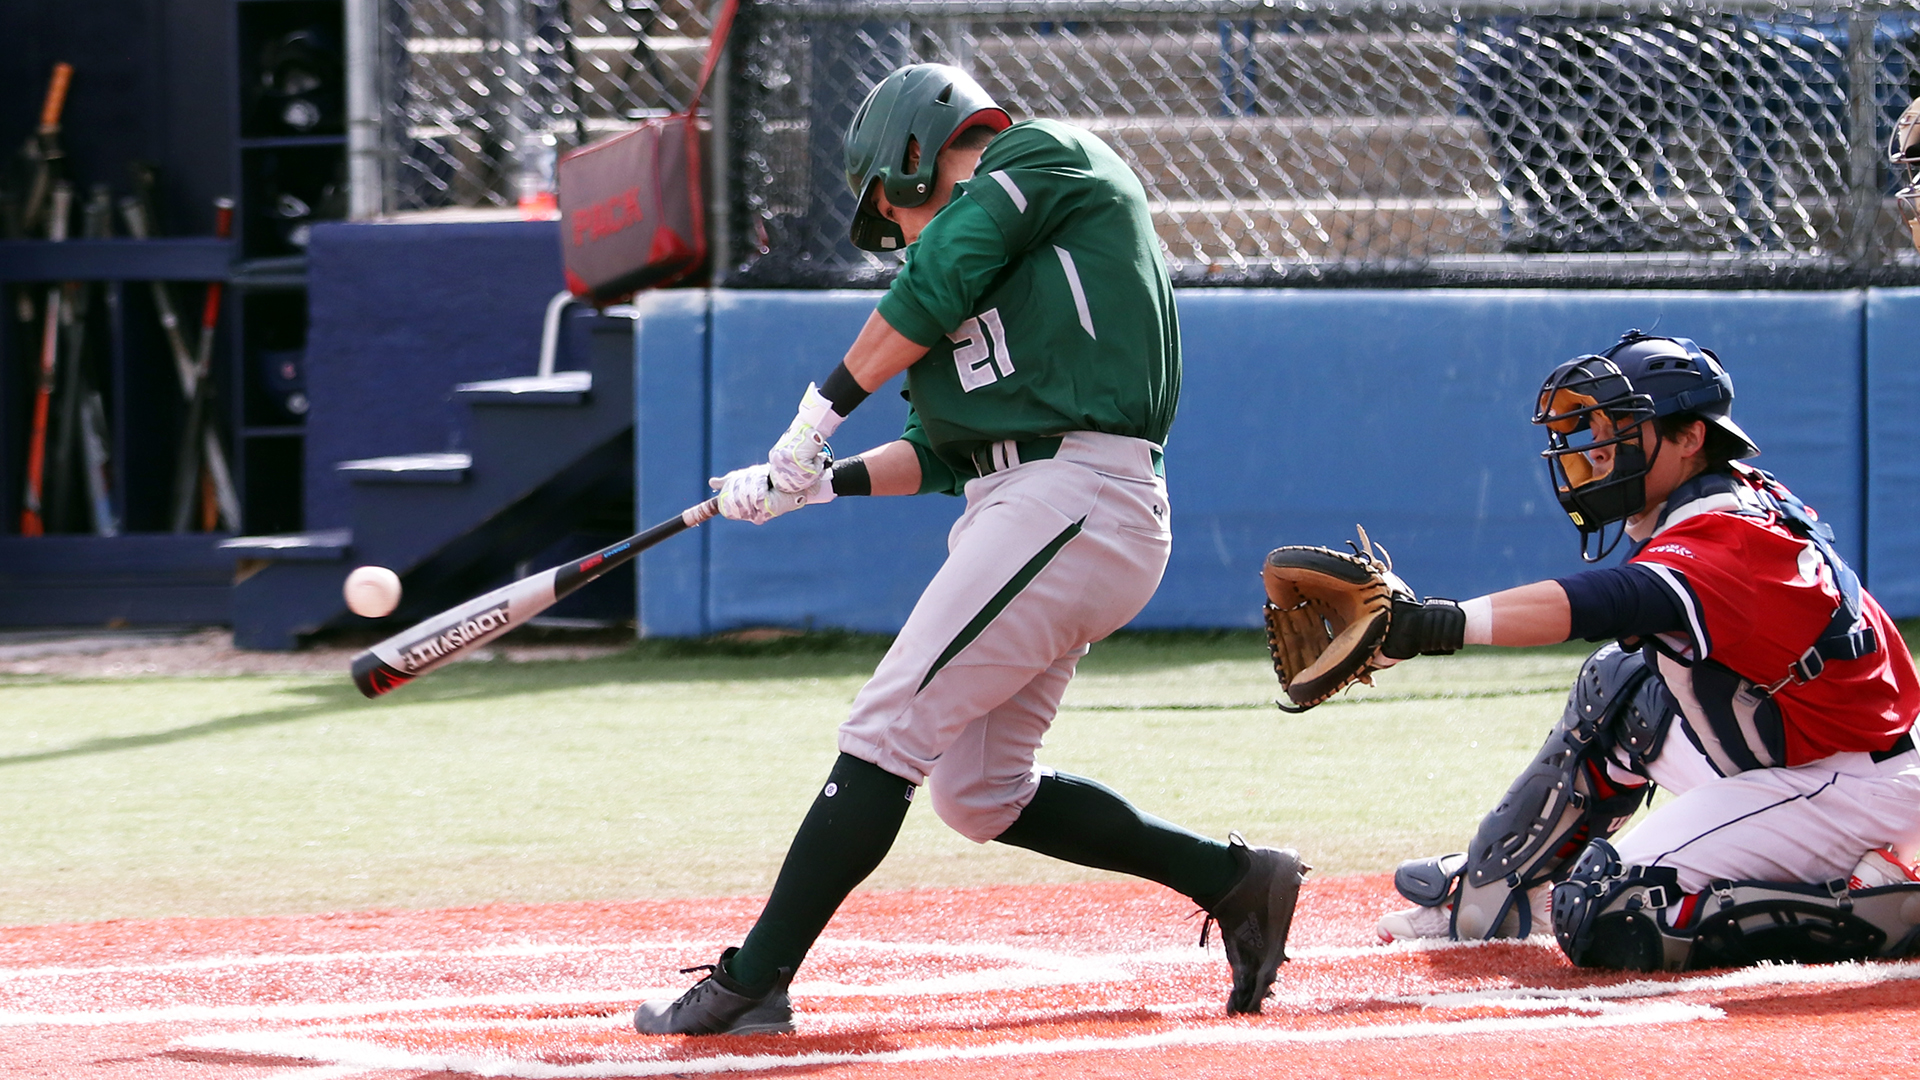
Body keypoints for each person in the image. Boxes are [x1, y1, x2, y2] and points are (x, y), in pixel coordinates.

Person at [631, 63, 1306, 1036]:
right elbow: (946, 452)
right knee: (979, 793)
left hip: (1080, 495)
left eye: (891, 215)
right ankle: (1235, 879)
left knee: (884, 728)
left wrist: (808, 423)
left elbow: (936, 276)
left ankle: (754, 978)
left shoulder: (1048, 159)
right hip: (1029, 503)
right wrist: (810, 484)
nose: (900, 244)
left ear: (912, 157)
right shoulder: (982, 282)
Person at [1368, 329, 1920, 971]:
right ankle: (1501, 894)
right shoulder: (1719, 496)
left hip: (1846, 784)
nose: (1597, 450)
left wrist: (1438, 624)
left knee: (1609, 912)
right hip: (1803, 749)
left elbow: (1605, 600)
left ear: (1690, 438)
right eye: (1597, 428)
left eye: (1623, 426)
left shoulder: (1726, 536)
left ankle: (1876, 902)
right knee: (1623, 685)